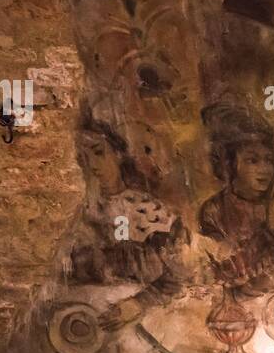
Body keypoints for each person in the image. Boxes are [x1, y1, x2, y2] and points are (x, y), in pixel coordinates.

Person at [66, 118, 193, 329]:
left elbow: (179, 276)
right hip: (84, 323)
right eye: (82, 158)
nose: (93, 165)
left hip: (147, 324)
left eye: (99, 153)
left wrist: (139, 303)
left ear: (118, 154)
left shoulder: (151, 212)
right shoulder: (75, 217)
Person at [197, 102, 274, 297]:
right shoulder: (214, 210)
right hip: (235, 301)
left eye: (268, 160)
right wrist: (269, 229)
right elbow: (226, 271)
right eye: (252, 160)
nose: (264, 169)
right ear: (231, 164)